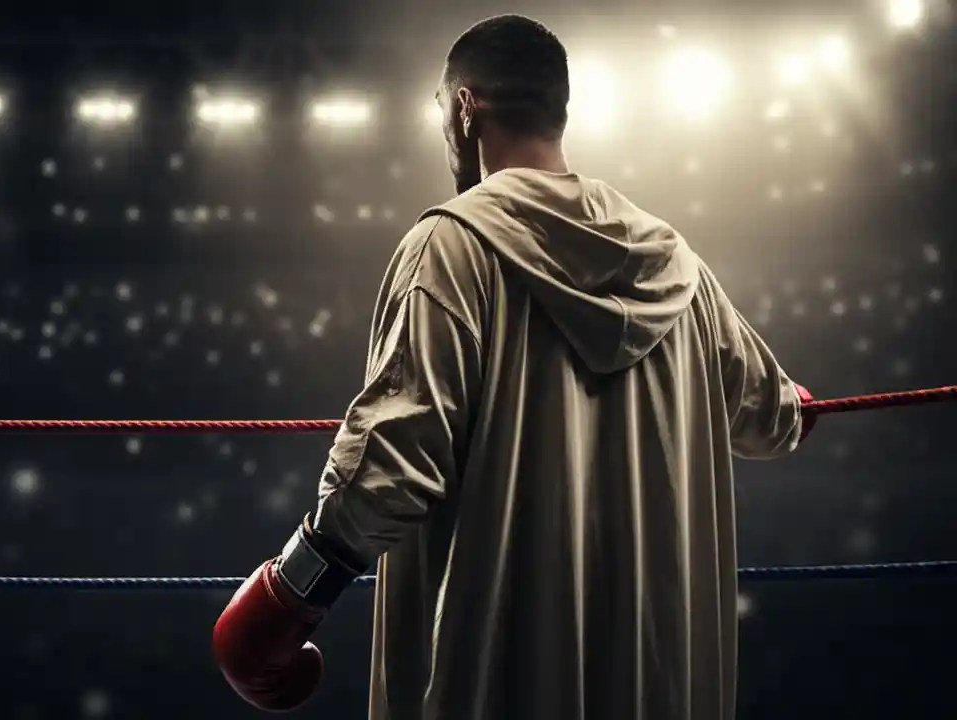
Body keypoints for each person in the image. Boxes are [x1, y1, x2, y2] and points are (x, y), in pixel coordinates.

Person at [213, 13, 817, 720]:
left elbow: (388, 471)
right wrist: (798, 400)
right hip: (660, 686)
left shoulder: (452, 244)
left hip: (495, 680)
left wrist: (285, 597)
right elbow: (777, 419)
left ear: (466, 108)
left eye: (443, 111)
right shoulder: (675, 261)